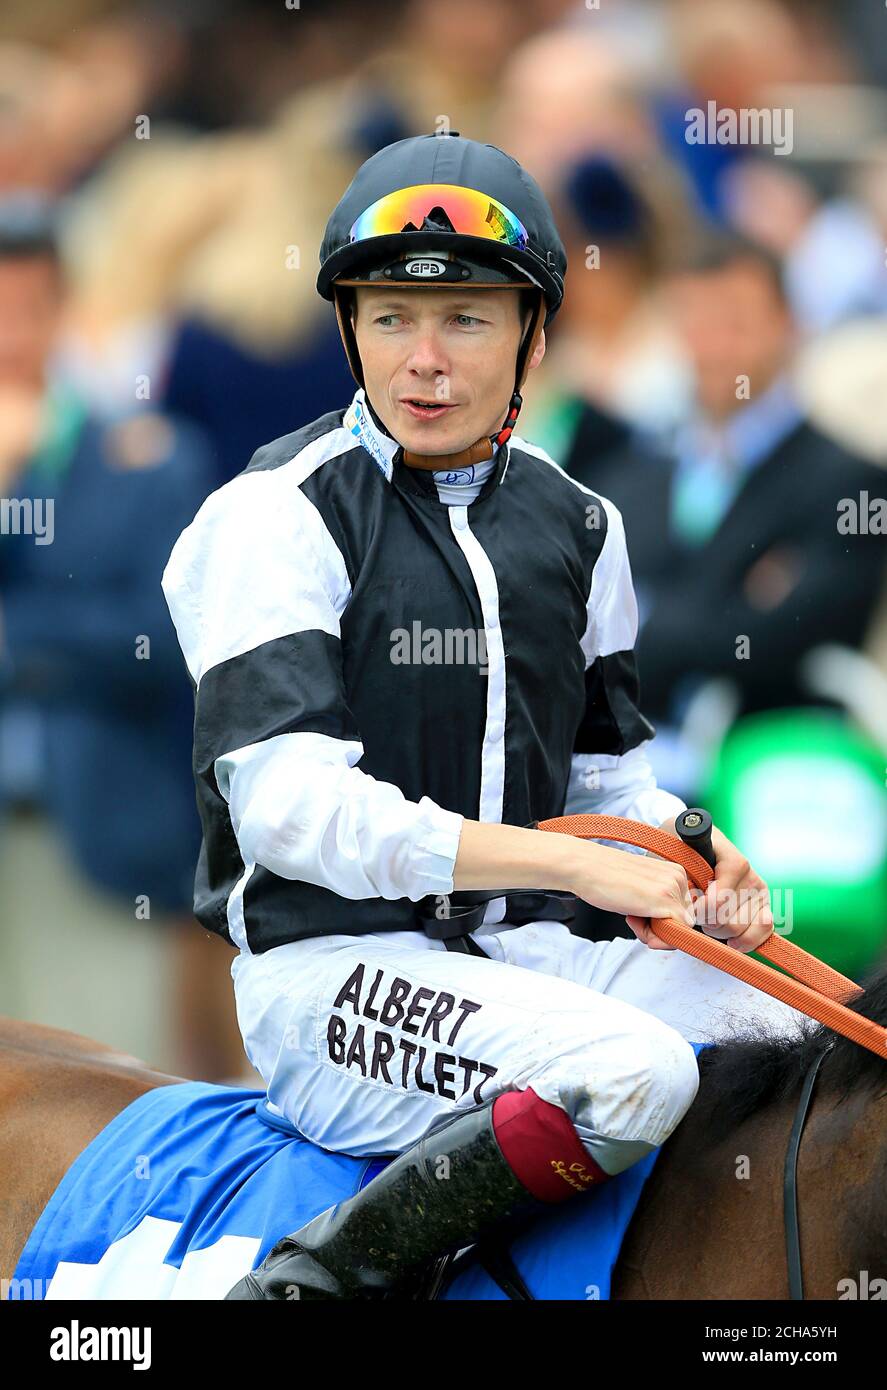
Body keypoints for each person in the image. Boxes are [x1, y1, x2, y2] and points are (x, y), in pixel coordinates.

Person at [161, 133, 808, 1301]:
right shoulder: (269, 516)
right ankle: (314, 1280)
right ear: (348, 325)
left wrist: (697, 846)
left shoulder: (580, 522)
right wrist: (573, 866)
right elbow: (292, 810)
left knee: (784, 1035)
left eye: (465, 317)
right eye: (388, 317)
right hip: (330, 973)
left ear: (533, 337)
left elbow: (607, 788)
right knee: (637, 1075)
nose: (422, 360)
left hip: (523, 950)